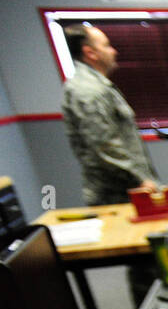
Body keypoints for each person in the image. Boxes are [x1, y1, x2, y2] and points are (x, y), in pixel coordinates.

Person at [60, 24, 160, 206]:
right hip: (119, 196)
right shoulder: (89, 90)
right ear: (90, 53)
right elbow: (104, 146)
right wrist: (141, 180)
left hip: (130, 191)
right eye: (106, 45)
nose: (113, 51)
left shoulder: (98, 86)